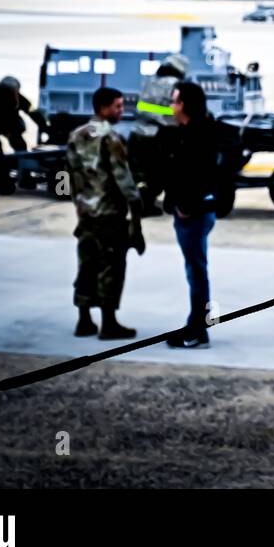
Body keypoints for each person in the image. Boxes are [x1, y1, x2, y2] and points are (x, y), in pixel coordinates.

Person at [160, 80, 240, 349]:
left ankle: (198, 330)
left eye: (174, 101)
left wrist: (186, 206)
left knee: (196, 272)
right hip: (193, 212)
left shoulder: (197, 136)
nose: (171, 106)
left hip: (193, 215)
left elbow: (200, 175)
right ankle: (195, 324)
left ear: (184, 105)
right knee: (195, 270)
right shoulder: (192, 131)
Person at [65, 86, 144, 340]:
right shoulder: (111, 138)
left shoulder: (76, 135)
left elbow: (70, 177)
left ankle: (84, 320)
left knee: (86, 264)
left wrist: (79, 204)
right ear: (103, 108)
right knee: (111, 266)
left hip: (86, 212)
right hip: (109, 213)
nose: (122, 110)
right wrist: (136, 211)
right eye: (117, 106)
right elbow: (124, 180)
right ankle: (109, 323)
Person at [129, 53, 189, 216]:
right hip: (160, 136)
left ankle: (144, 204)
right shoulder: (177, 85)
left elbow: (141, 107)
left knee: (141, 174)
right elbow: (176, 112)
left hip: (138, 133)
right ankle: (160, 204)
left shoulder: (149, 82)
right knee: (163, 173)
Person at [0, 75, 49, 194]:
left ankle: (22, 176)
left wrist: (45, 126)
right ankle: (3, 178)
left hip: (9, 125)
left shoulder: (17, 98)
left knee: (19, 146)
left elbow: (33, 112)